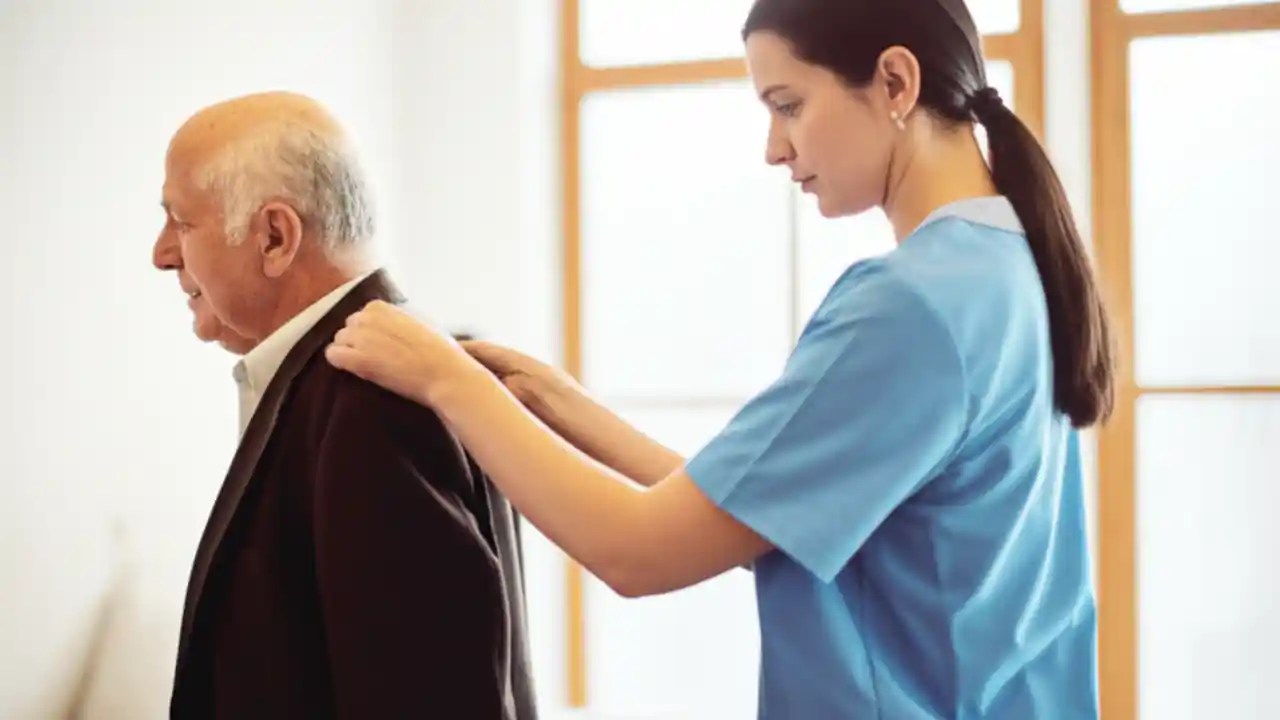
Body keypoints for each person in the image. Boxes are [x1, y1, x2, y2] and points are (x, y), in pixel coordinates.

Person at [327, 0, 1115, 716]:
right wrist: (559, 404)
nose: (775, 148)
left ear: (896, 81)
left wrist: (446, 378)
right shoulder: (1006, 262)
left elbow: (638, 551)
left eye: (789, 105)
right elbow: (763, 515)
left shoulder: (913, 306)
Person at [152, 91, 536, 719]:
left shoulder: (370, 398)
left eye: (182, 222)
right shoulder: (353, 372)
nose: (162, 253)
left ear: (275, 237)